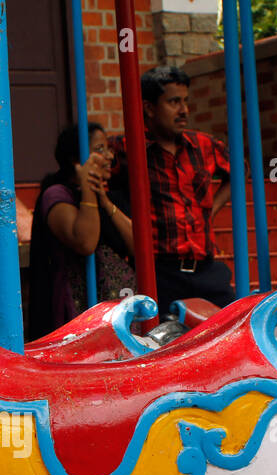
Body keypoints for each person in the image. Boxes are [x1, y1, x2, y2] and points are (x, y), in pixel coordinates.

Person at [109, 65, 236, 314]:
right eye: (174, 102)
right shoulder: (126, 148)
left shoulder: (204, 145)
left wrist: (210, 210)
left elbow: (239, 171)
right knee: (163, 341)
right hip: (158, 270)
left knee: (232, 328)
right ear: (149, 108)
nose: (184, 110)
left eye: (186, 101)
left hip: (205, 268)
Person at [26, 123, 135, 342]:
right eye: (100, 150)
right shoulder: (56, 195)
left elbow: (137, 246)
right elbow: (86, 242)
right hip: (77, 310)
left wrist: (103, 201)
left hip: (118, 309)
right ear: (76, 161)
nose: (109, 157)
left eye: (108, 149)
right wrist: (87, 189)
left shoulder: (108, 197)